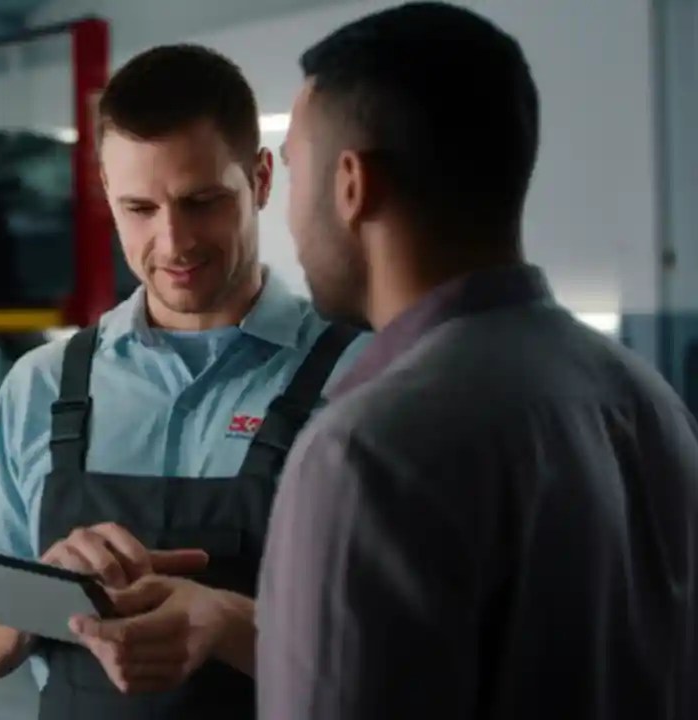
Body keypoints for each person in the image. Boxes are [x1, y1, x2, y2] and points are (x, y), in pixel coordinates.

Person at [257, 3, 698, 719]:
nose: (289, 217)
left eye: (296, 176)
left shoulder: (367, 450)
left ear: (351, 185)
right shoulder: (650, 403)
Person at [0, 44, 366, 717]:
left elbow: (409, 656)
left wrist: (227, 623)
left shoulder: (359, 380)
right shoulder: (43, 386)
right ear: (105, 193)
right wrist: (42, 593)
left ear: (262, 179)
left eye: (202, 201)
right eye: (139, 208)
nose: (173, 242)